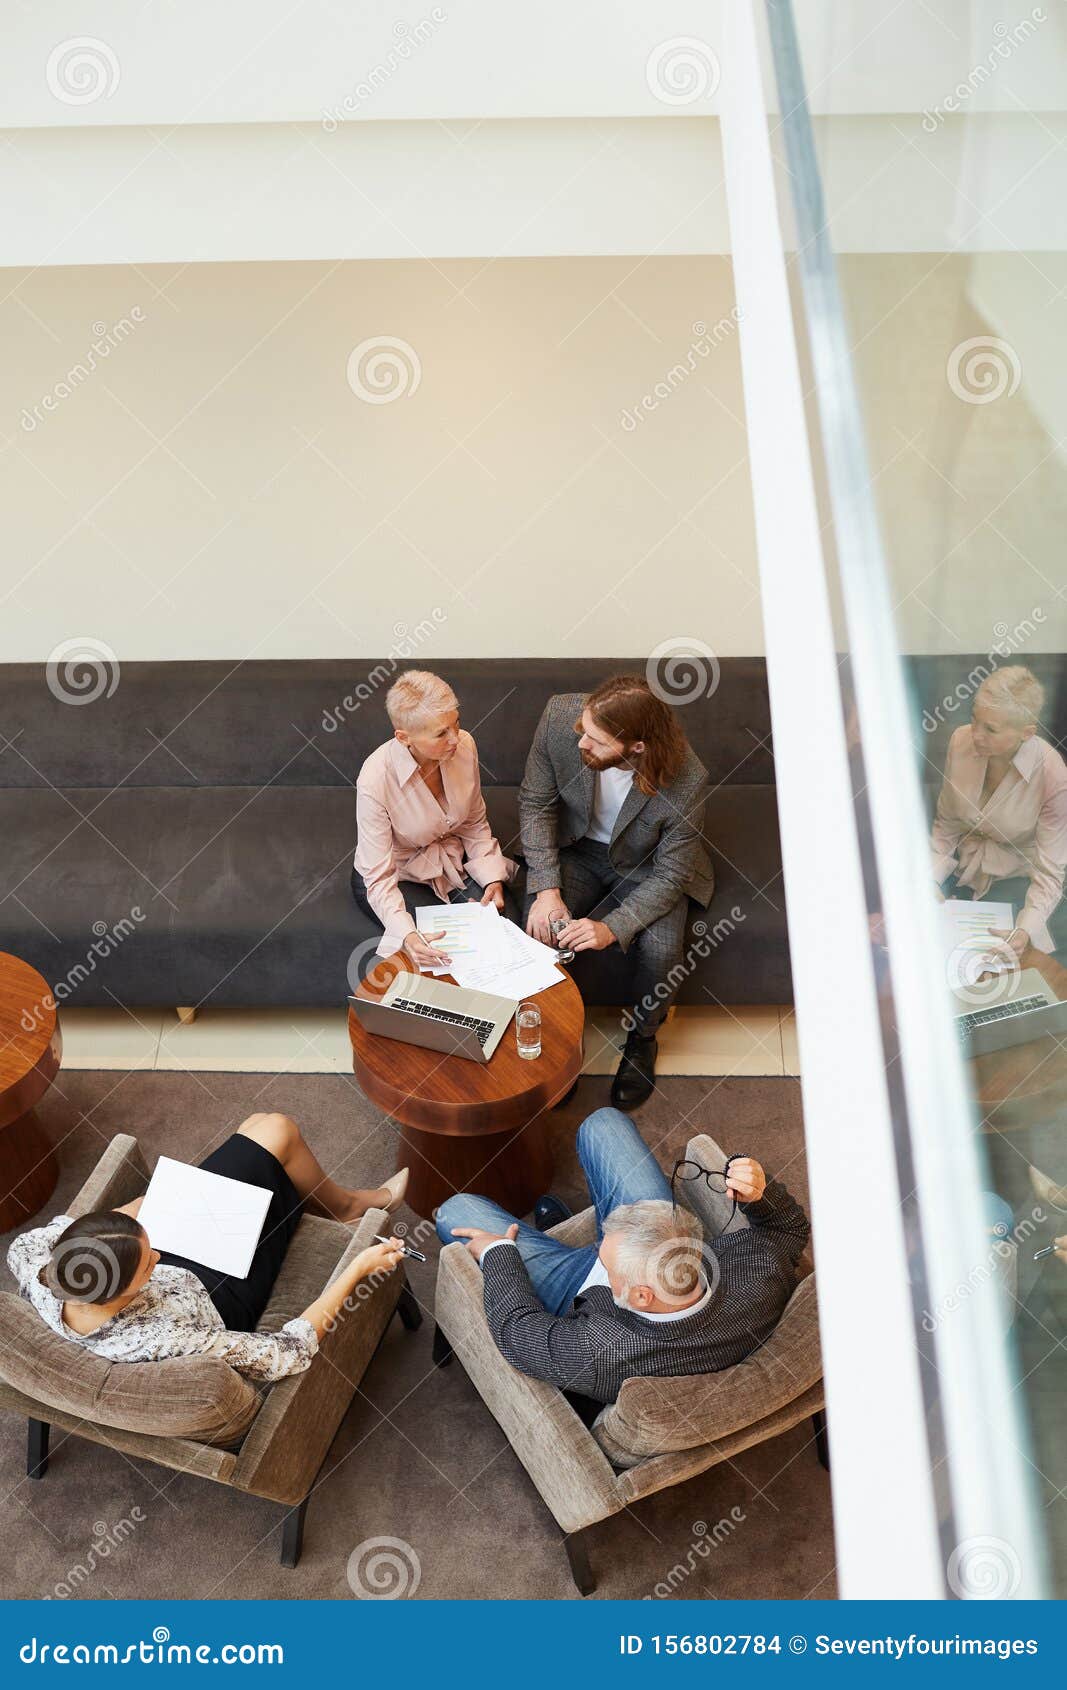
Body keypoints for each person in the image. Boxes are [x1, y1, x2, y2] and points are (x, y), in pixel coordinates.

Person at [435, 1106, 810, 1405]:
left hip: (579, 1296)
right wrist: (760, 1193)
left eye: (606, 1261)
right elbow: (789, 1227)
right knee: (604, 1124)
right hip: (648, 1267)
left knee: (454, 1212)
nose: (597, 1250)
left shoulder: (600, 1351)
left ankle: (555, 1244)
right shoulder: (760, 1274)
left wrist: (498, 1252)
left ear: (641, 1295)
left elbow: (517, 1332)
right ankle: (611, 1242)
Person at [6, 1112, 408, 1384]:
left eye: (149, 1247)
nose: (157, 1256)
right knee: (275, 1137)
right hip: (221, 1292)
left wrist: (145, 1216)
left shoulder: (34, 1263)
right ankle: (347, 1208)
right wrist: (356, 1269)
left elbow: (57, 1235)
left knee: (263, 1126)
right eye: (149, 1263)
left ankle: (343, 1206)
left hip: (176, 1265)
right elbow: (286, 1354)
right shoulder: (160, 1336)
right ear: (127, 1293)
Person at [519, 674, 714, 1107]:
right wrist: (548, 887)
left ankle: (643, 1038)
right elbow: (536, 804)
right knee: (538, 927)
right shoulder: (559, 716)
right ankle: (558, 1044)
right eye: (582, 731)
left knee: (662, 951)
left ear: (636, 747)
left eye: (597, 740)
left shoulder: (687, 779)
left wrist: (612, 927)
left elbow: (671, 876)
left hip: (647, 867)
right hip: (578, 850)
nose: (582, 744)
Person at [353, 669, 520, 971]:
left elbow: (473, 821)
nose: (455, 738)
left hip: (452, 862)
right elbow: (377, 877)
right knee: (444, 949)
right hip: (397, 875)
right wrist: (408, 936)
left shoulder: (465, 745)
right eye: (441, 733)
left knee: (505, 929)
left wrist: (491, 877)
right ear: (404, 738)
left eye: (456, 725)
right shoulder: (375, 778)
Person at [931, 667, 1067, 956]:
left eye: (990, 729)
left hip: (1021, 883)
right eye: (973, 719)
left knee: (1017, 971)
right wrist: (930, 878)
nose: (976, 735)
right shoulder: (960, 740)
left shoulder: (1054, 773)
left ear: (1026, 734)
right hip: (962, 870)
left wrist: (1025, 928)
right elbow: (947, 824)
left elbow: (1050, 871)